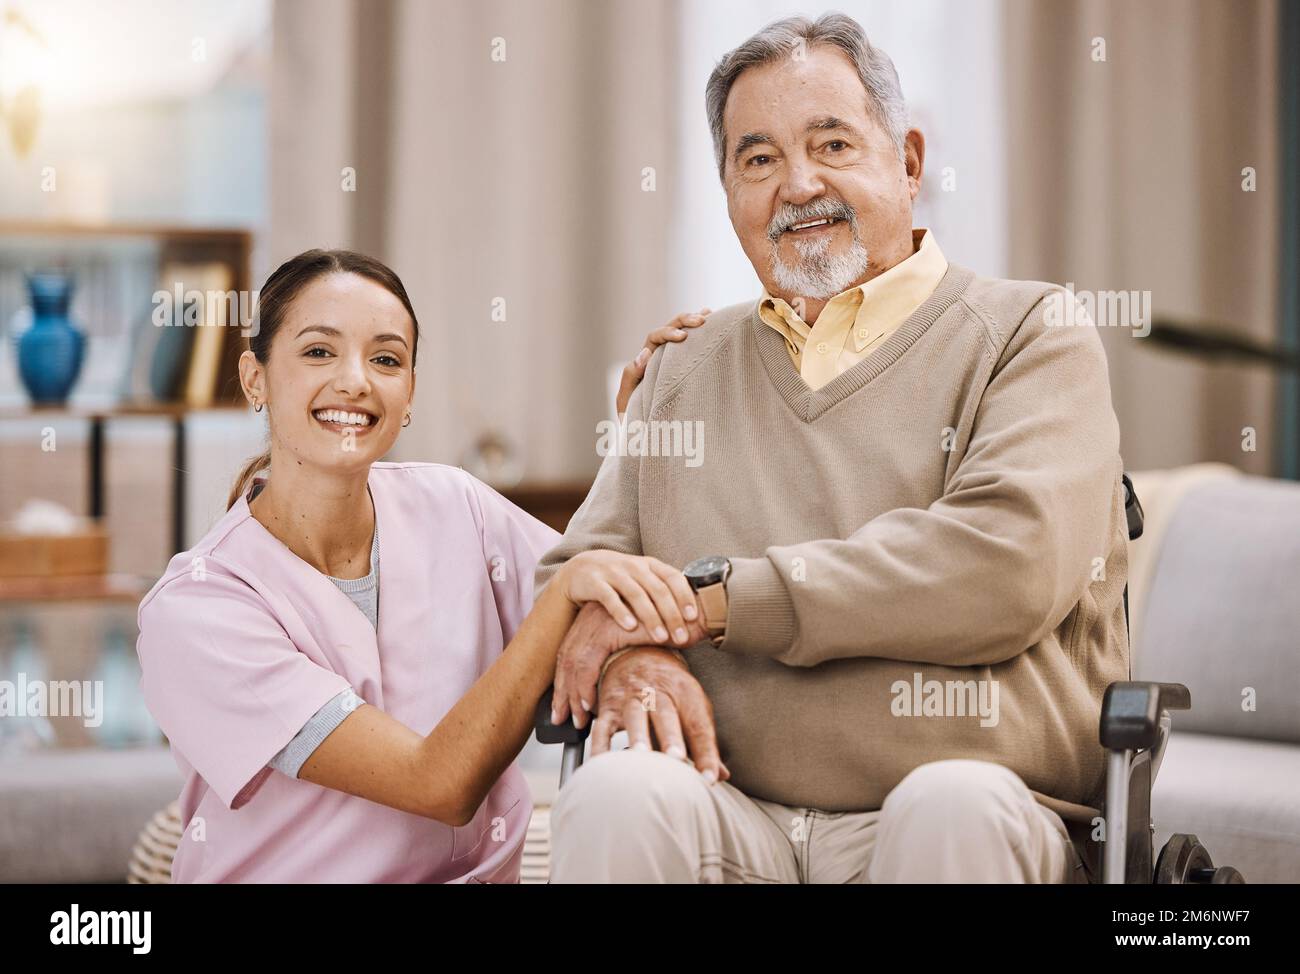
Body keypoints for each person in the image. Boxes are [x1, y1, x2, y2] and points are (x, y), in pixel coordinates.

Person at [534, 13, 1129, 884]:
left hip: (959, 805)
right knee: (615, 795)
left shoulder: (1032, 334)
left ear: (910, 162)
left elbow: (1005, 566)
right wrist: (628, 653)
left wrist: (714, 602)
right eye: (759, 159)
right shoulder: (682, 365)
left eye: (833, 143)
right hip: (730, 804)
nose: (797, 183)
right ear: (730, 191)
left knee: (951, 805)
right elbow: (579, 580)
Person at [135, 248, 711, 882]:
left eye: (385, 359)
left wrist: (651, 428)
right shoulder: (197, 609)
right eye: (319, 352)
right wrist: (567, 594)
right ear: (256, 379)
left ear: (408, 394)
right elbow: (437, 784)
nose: (355, 381)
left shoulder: (456, 505)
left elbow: (613, 595)